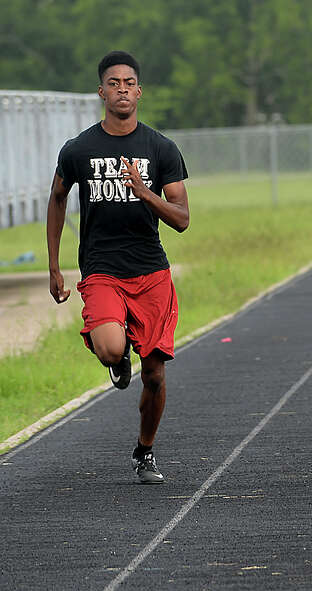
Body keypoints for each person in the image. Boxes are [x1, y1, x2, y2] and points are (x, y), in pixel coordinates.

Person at [46, 50, 190, 484]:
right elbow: (56, 199)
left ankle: (144, 451)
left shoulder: (161, 148)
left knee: (156, 375)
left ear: (139, 91)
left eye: (129, 83)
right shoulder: (79, 149)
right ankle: (117, 357)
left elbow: (181, 218)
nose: (122, 89)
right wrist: (53, 266)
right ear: (101, 91)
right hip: (102, 269)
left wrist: (145, 193)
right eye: (114, 83)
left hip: (150, 272)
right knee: (111, 348)